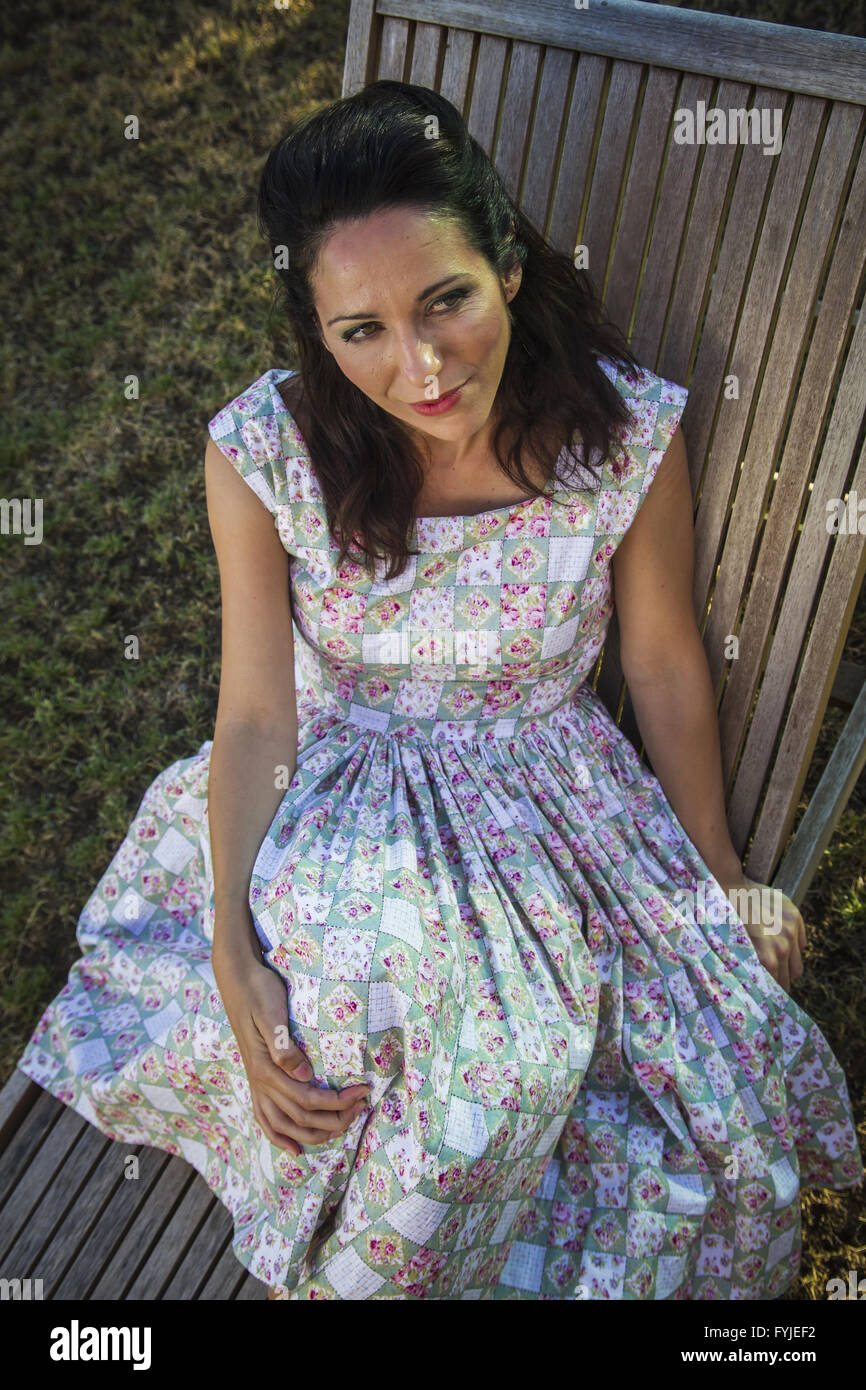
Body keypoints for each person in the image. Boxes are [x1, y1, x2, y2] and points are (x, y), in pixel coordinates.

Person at [18, 80, 862, 1301]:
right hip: (338, 790)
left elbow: (661, 663)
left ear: (507, 268)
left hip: (549, 803)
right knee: (347, 1019)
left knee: (522, 1064)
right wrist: (226, 942)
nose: (416, 365)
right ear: (313, 327)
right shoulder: (263, 453)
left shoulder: (621, 440)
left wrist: (720, 873)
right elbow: (256, 714)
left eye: (446, 301)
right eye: (358, 329)